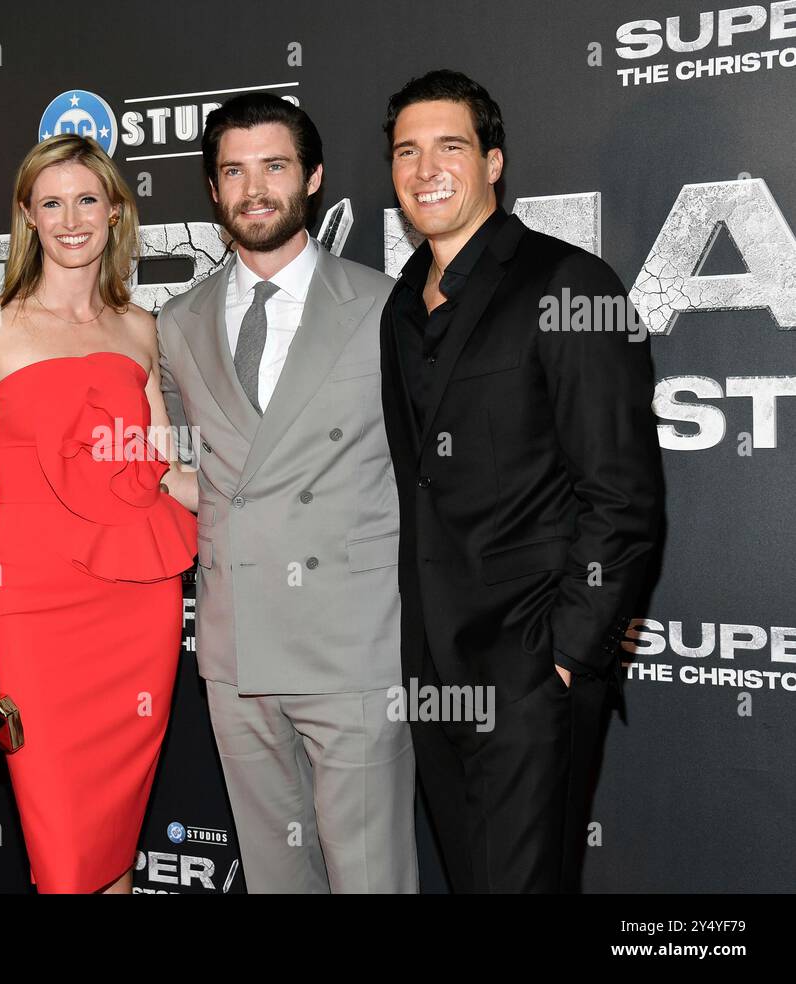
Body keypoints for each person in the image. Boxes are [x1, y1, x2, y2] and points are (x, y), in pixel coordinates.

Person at [378, 70, 663, 892]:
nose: (425, 167)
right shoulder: (401, 305)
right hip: (432, 672)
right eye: (406, 150)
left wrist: (569, 656)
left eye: (450, 146)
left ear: (493, 162)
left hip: (530, 669)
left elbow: (624, 494)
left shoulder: (567, 285)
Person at [156, 93, 417, 893]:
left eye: (274, 166)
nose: (253, 187)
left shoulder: (385, 306)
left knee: (370, 876)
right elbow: (187, 460)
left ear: (312, 178)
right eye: (233, 171)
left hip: (353, 643)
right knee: (274, 875)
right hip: (237, 649)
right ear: (212, 189)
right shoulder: (177, 319)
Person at [0, 133, 198, 894]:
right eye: (50, 203)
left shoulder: (140, 330)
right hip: (31, 608)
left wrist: (272, 500)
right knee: (61, 853)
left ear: (116, 212)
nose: (70, 218)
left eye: (87, 199)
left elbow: (164, 469)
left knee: (111, 839)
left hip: (134, 607)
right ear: (27, 216)